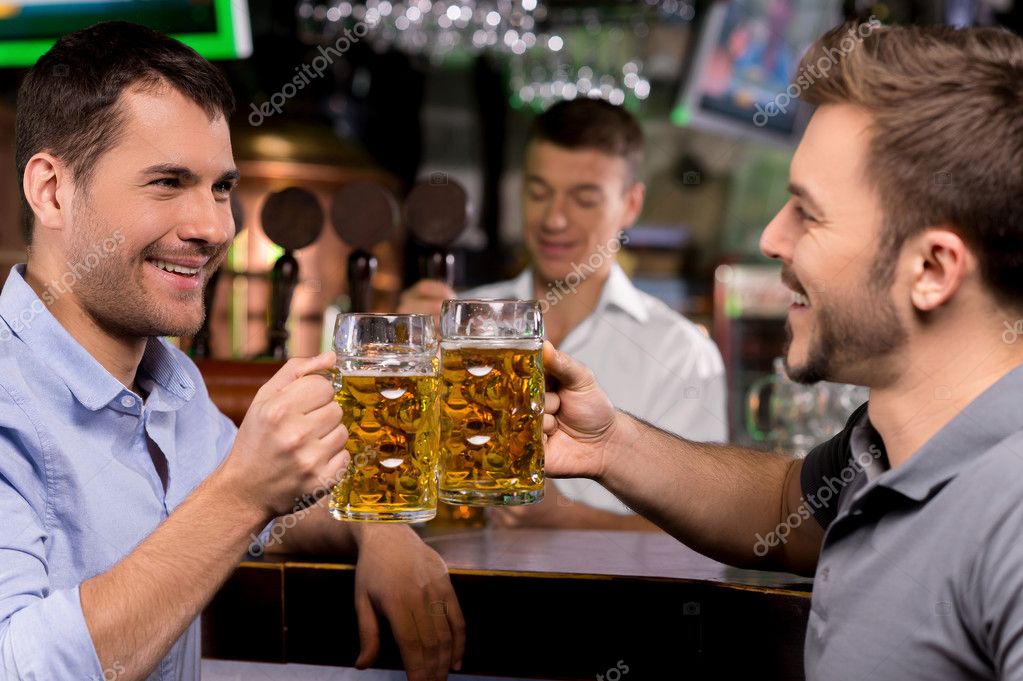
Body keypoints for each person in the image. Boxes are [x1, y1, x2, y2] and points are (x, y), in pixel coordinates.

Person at [538, 22, 1023, 680]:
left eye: (807, 213)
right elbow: (777, 508)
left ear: (932, 269)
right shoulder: (887, 448)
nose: (770, 238)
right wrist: (607, 445)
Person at [1, 22, 464, 681]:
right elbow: (20, 665)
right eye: (167, 182)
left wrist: (377, 526)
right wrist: (242, 495)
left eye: (221, 187)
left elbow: (278, 510)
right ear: (51, 190)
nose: (215, 227)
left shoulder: (171, 382)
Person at [400, 98, 727, 531]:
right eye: (539, 193)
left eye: (584, 199)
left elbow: (705, 532)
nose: (554, 219)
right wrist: (403, 360)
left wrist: (565, 516)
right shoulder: (457, 325)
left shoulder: (682, 354)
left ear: (631, 204)